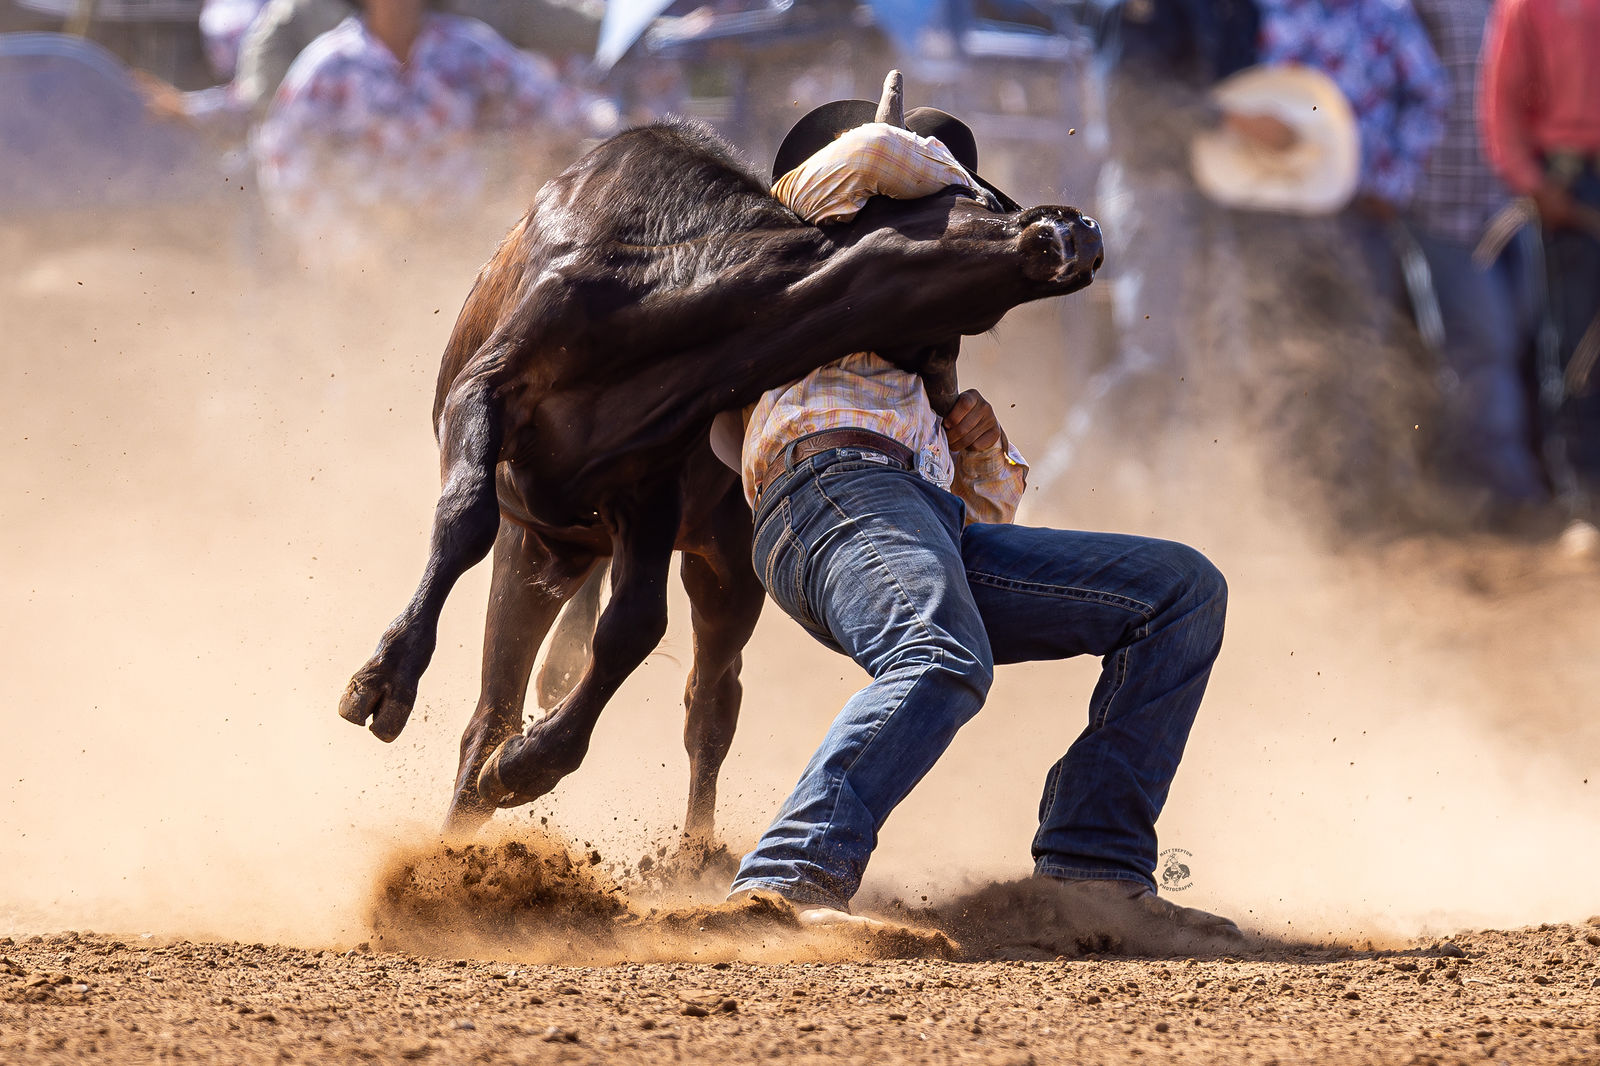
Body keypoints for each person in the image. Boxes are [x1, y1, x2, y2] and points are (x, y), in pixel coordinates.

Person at [723, 90, 1246, 952]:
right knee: (939, 654)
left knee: (1178, 593)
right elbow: (872, 154)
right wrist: (991, 214)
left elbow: (968, 529)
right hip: (831, 486)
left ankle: (1094, 873)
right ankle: (784, 881)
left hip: (890, 513)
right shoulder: (802, 229)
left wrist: (980, 460)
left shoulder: (922, 364)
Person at [251, 0, 616, 264]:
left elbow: (549, 107)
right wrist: (334, 237)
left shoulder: (465, 49)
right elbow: (283, 153)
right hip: (365, 249)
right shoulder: (331, 63)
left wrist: (617, 127)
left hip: (456, 240)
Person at [1405, 0, 1549, 527]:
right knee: (1482, 346)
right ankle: (1501, 492)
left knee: (1521, 339)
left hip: (1507, 204)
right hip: (1442, 209)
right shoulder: (1421, 5)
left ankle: (1489, 481)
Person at [1480, 0, 1600, 521]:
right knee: (1574, 349)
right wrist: (1535, 184)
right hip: (1569, 185)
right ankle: (1585, 501)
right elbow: (1501, 103)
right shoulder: (1527, 6)